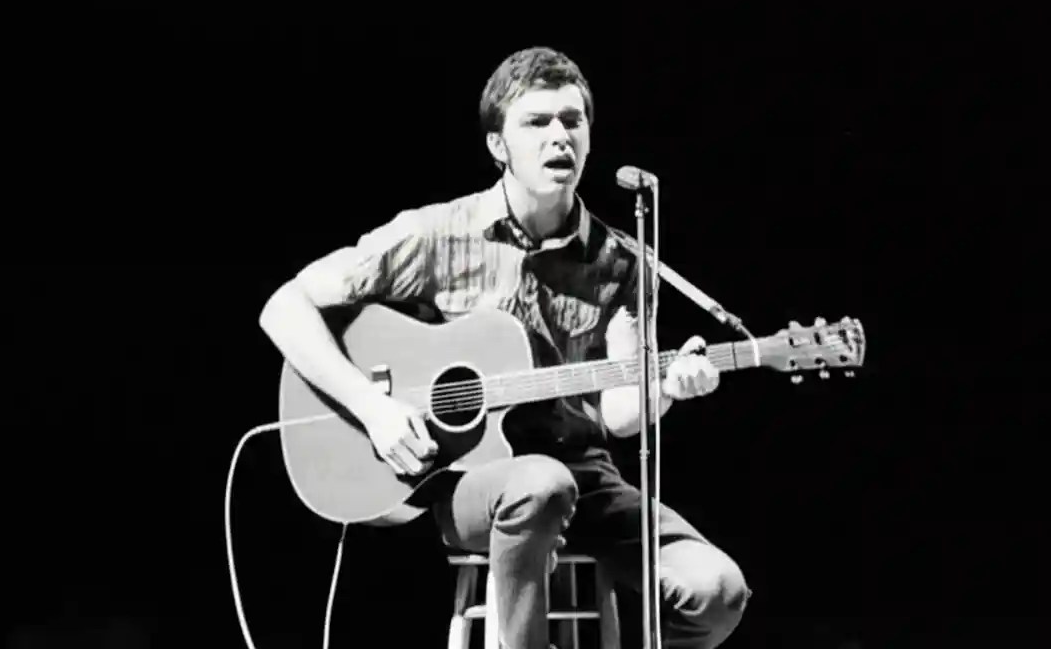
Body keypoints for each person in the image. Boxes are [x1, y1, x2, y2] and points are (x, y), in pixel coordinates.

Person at [258, 46, 751, 649]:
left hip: (584, 476)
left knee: (717, 591)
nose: (559, 137)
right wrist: (374, 407)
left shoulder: (621, 261)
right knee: (539, 484)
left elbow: (622, 413)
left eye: (573, 121)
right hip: (472, 481)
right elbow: (283, 306)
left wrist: (666, 390)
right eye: (537, 122)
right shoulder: (435, 235)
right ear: (498, 145)